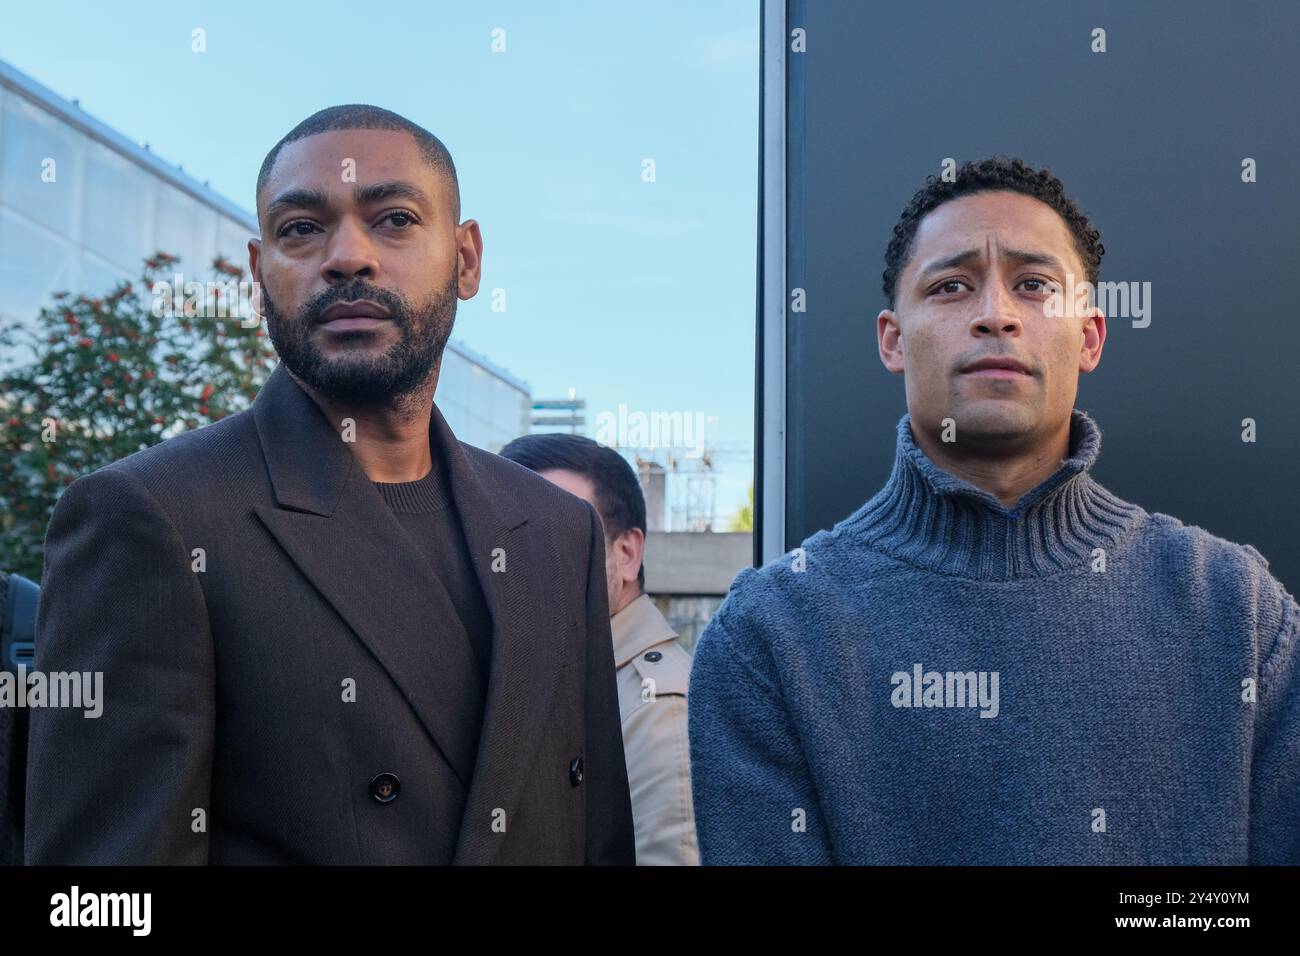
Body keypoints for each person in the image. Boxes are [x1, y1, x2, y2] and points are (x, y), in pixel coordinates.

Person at [25, 105, 634, 865]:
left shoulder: (554, 529)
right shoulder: (153, 517)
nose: (347, 256)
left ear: (467, 259)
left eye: (395, 219)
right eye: (301, 229)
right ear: (258, 273)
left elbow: (598, 835)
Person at [688, 156, 1300, 865]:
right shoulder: (770, 635)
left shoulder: (1238, 614)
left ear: (1091, 337)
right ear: (892, 339)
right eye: (951, 286)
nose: (995, 315)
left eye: (1035, 286)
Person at [500, 434, 699, 865]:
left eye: (555, 538)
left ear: (626, 553)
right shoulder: (564, 675)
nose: (523, 562)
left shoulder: (658, 709)